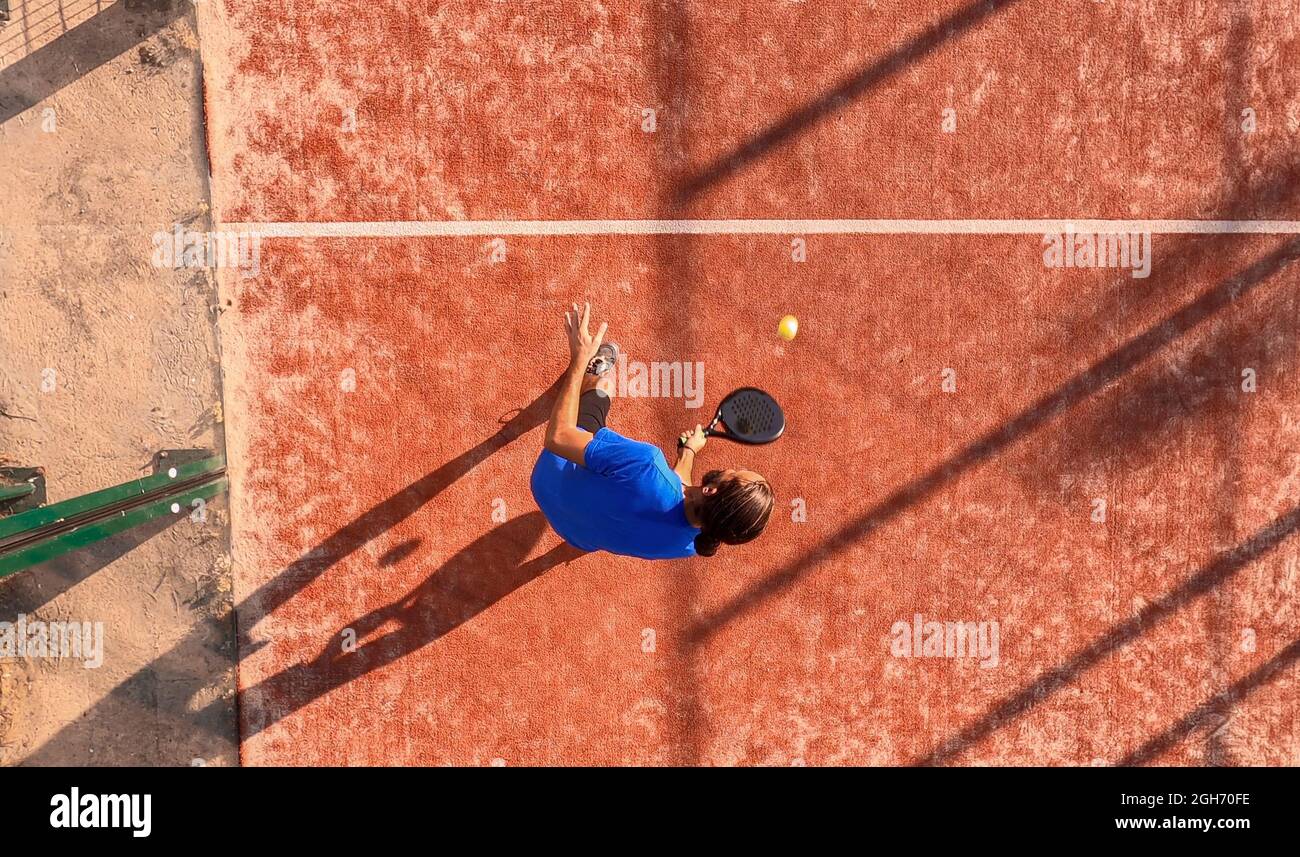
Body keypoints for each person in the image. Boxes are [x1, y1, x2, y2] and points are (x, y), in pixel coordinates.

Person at [530, 302, 774, 559]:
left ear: (710, 490)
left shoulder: (646, 463)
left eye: (734, 473)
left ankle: (589, 372)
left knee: (603, 388)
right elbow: (675, 492)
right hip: (576, 535)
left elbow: (558, 437)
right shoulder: (691, 546)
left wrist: (579, 359)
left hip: (547, 479)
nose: (730, 468)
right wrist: (688, 452)